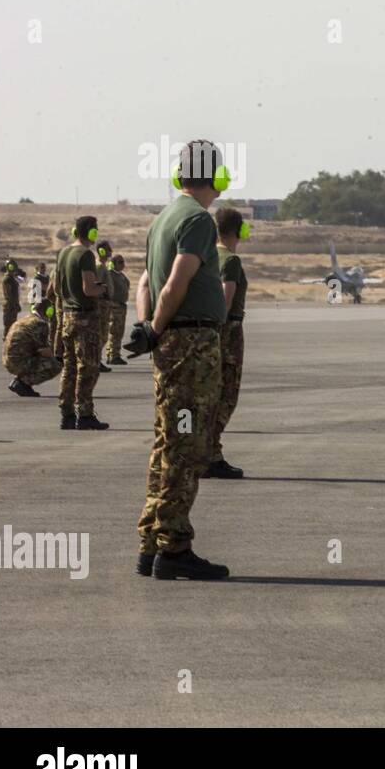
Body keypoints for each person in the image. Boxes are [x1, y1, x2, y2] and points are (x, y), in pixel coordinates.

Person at [126, 139, 230, 581]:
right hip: (191, 348)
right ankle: (174, 547)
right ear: (215, 177)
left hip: (170, 345)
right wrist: (158, 326)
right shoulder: (198, 221)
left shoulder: (162, 220)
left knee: (166, 442)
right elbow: (174, 283)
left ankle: (151, 544)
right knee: (186, 446)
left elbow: (145, 284)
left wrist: (148, 327)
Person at [204, 208, 249, 479]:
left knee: (209, 392)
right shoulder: (230, 260)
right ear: (239, 230)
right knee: (227, 394)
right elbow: (226, 297)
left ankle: (204, 451)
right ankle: (211, 454)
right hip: (228, 328)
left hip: (208, 329)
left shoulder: (208, 255)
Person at [54, 217, 110, 429]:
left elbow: (57, 289)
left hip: (67, 316)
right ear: (90, 233)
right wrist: (102, 289)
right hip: (85, 317)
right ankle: (85, 414)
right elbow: (89, 289)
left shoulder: (64, 253)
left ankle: (66, 413)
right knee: (88, 367)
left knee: (69, 367)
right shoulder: (85, 255)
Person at [2, 299, 61, 396]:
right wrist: (60, 357)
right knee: (56, 365)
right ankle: (23, 384)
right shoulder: (39, 324)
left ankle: (19, 381)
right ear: (48, 311)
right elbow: (44, 351)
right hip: (18, 363)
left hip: (9, 361)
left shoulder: (24, 319)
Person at [104, 254, 131, 365]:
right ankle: (113, 355)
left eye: (123, 262)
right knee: (114, 331)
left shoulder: (121, 276)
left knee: (119, 332)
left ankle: (114, 354)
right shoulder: (110, 274)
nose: (122, 264)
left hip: (121, 306)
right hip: (114, 307)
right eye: (120, 262)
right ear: (113, 264)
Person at [94, 240, 114, 371]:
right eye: (108, 249)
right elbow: (97, 285)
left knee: (103, 334)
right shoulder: (99, 267)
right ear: (101, 251)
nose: (110, 252)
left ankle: (96, 361)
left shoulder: (102, 266)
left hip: (104, 304)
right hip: (101, 304)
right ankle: (96, 361)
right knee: (101, 334)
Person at [0, 257, 23, 340]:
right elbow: (9, 296)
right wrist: (14, 305)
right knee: (8, 327)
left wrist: (16, 304)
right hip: (10, 306)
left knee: (12, 327)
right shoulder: (7, 279)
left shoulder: (12, 279)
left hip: (13, 306)